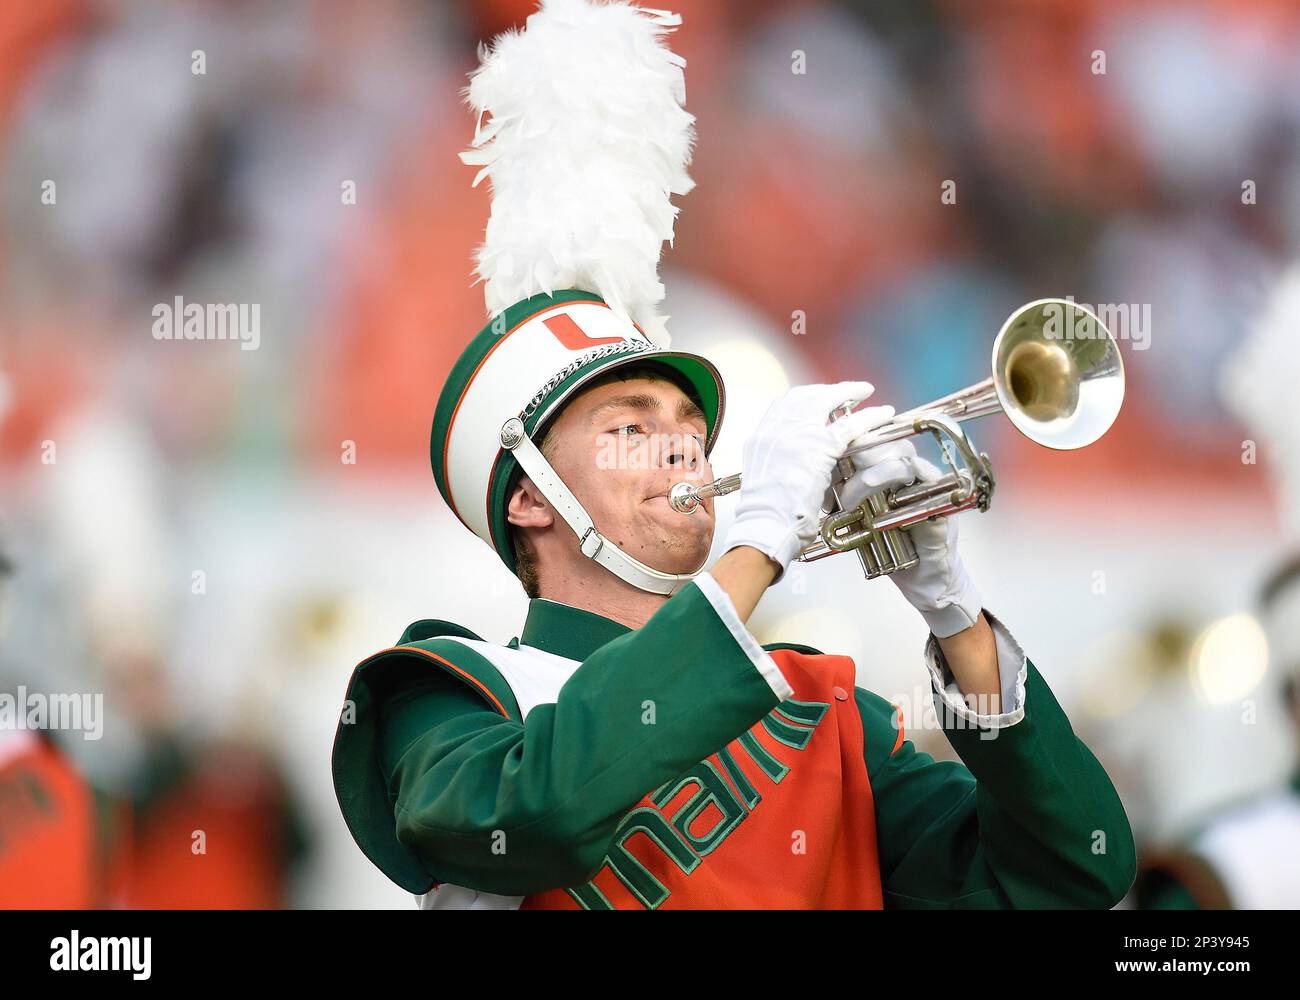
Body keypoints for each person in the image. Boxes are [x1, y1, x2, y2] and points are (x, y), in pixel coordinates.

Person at [330, 0, 1135, 910]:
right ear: (528, 499)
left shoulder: (828, 717)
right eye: (630, 425)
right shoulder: (444, 696)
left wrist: (957, 622)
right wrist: (755, 550)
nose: (681, 443)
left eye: (687, 421)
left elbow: (1074, 874)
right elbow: (537, 814)